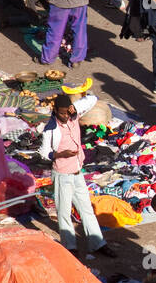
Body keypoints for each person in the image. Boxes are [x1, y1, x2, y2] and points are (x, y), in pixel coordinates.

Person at [40, 91, 113, 259]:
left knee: (86, 209)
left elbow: (92, 99)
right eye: (62, 112)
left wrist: (76, 105)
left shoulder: (74, 114)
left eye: (68, 111)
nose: (65, 115)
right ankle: (70, 246)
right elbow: (44, 152)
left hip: (78, 172)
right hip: (62, 174)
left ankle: (98, 243)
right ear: (55, 110)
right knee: (64, 211)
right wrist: (60, 154)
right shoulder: (51, 128)